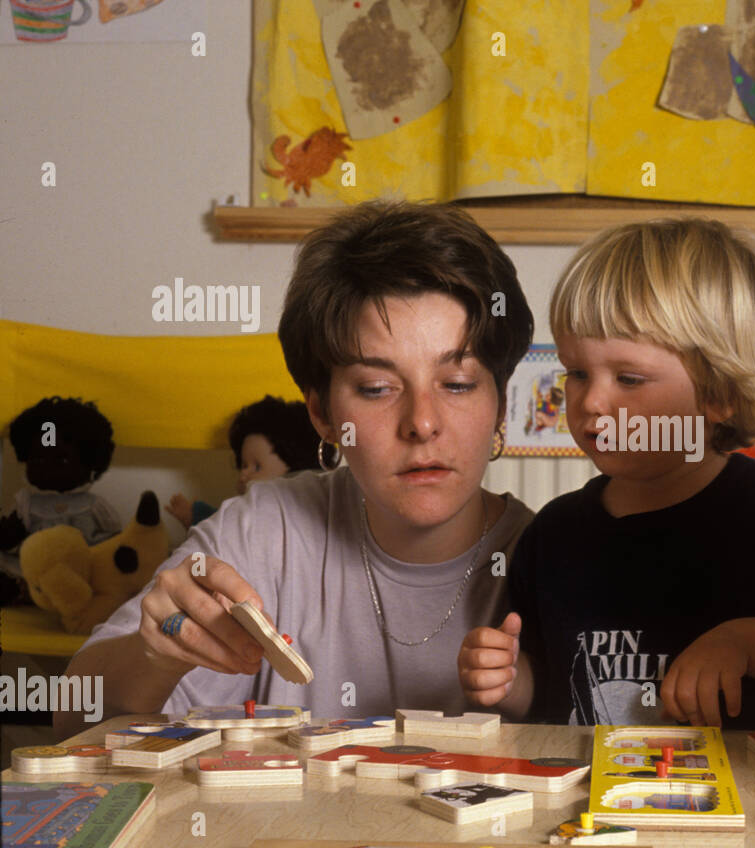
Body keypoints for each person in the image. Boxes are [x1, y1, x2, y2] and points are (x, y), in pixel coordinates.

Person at [56, 201, 535, 736]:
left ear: (501, 403)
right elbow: (72, 718)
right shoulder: (265, 531)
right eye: (376, 389)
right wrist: (155, 657)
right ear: (323, 415)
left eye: (458, 383)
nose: (422, 423)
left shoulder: (558, 555)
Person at [459, 218, 755, 729]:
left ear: (720, 393)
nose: (591, 401)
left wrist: (742, 643)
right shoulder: (553, 532)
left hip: (738, 802)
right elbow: (546, 692)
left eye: (629, 378)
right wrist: (505, 680)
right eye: (577, 372)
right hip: (592, 801)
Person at [166, 395, 320, 527]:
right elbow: (223, 525)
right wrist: (194, 516)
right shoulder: (244, 513)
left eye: (257, 467)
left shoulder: (304, 515)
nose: (244, 473)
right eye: (244, 465)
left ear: (295, 471)